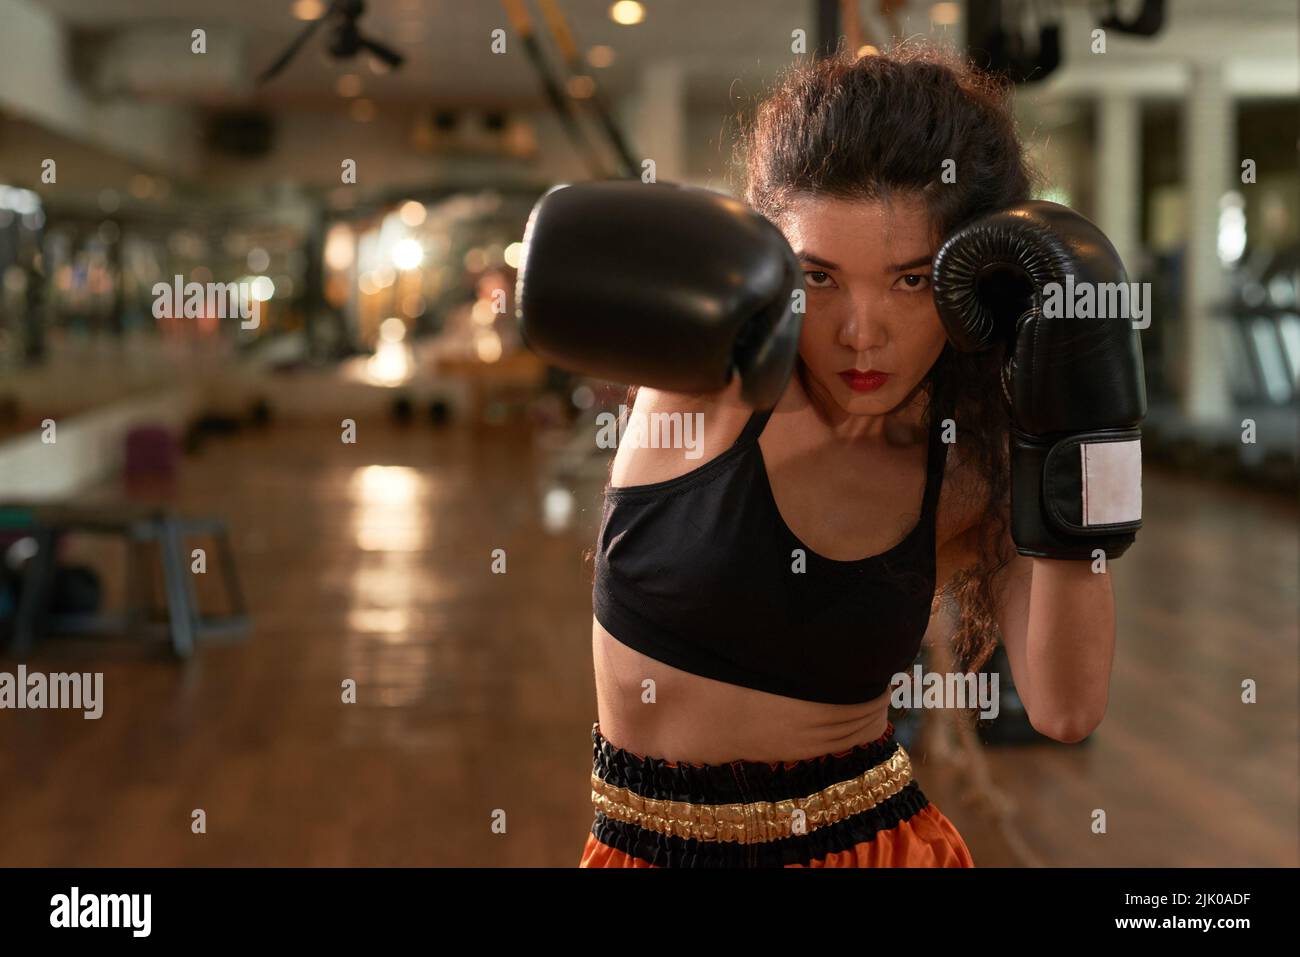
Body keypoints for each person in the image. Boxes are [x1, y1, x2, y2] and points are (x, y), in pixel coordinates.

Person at [517, 43, 1145, 868]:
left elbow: (1066, 709)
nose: (861, 331)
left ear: (972, 279)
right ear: (771, 263)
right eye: (821, 277)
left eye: (912, 280)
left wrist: (1077, 438)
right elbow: (572, 255)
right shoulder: (706, 379)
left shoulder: (970, 464)